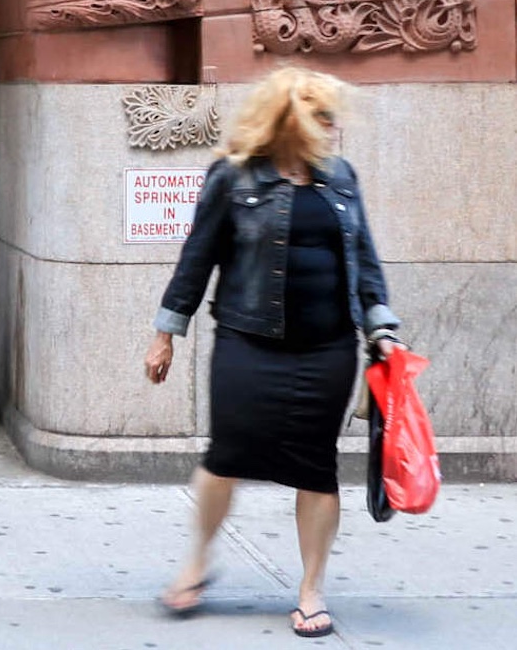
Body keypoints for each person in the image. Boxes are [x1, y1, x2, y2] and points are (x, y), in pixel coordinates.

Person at [142, 68, 401, 639]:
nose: (334, 129)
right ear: (290, 122)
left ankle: (311, 588)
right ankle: (198, 561)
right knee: (224, 458)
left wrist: (383, 329)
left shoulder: (342, 178)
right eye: (323, 118)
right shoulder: (234, 177)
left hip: (327, 350)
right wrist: (167, 332)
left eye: (334, 117)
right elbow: (197, 257)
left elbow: (366, 263)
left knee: (316, 467)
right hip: (246, 343)